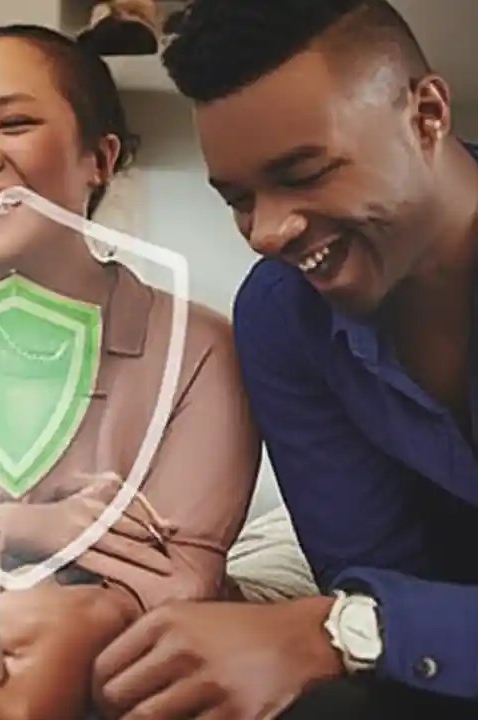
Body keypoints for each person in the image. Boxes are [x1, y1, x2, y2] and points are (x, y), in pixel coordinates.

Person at [0, 24, 259, 720]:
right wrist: (26, 525)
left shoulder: (201, 347)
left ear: (99, 158)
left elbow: (177, 581)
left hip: (124, 680)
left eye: (14, 124)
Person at [85, 0, 478, 718]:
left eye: (305, 172)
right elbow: (377, 584)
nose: (266, 233)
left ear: (426, 115)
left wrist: (345, 630)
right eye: (239, 200)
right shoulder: (279, 315)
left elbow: (364, 625)